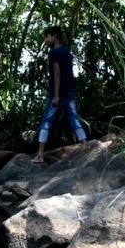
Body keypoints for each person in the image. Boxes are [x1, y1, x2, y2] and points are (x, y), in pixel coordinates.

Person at [32, 26, 86, 164]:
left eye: (47, 36)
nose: (45, 40)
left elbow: (57, 74)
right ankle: (86, 145)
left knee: (46, 122)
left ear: (54, 36)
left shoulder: (54, 53)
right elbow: (69, 74)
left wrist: (56, 96)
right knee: (73, 119)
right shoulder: (67, 53)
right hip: (68, 93)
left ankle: (40, 155)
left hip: (56, 95)